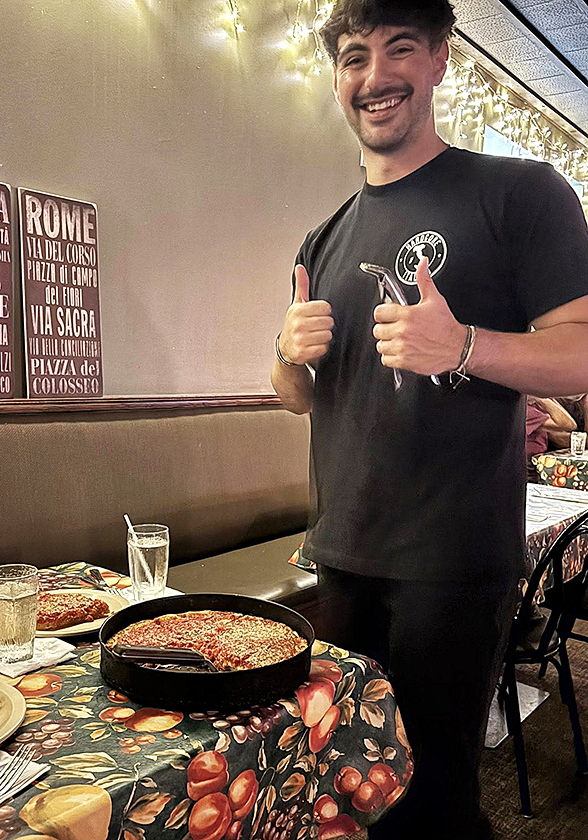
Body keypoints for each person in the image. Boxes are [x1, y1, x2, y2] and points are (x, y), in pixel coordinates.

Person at [270, 1, 588, 837]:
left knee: (432, 798)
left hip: (452, 560)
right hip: (341, 551)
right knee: (344, 791)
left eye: (399, 48)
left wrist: (464, 345)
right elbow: (298, 396)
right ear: (337, 78)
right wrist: (285, 354)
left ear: (441, 59)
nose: (375, 76)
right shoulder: (322, 239)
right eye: (354, 57)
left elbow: (582, 354)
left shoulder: (521, 193)